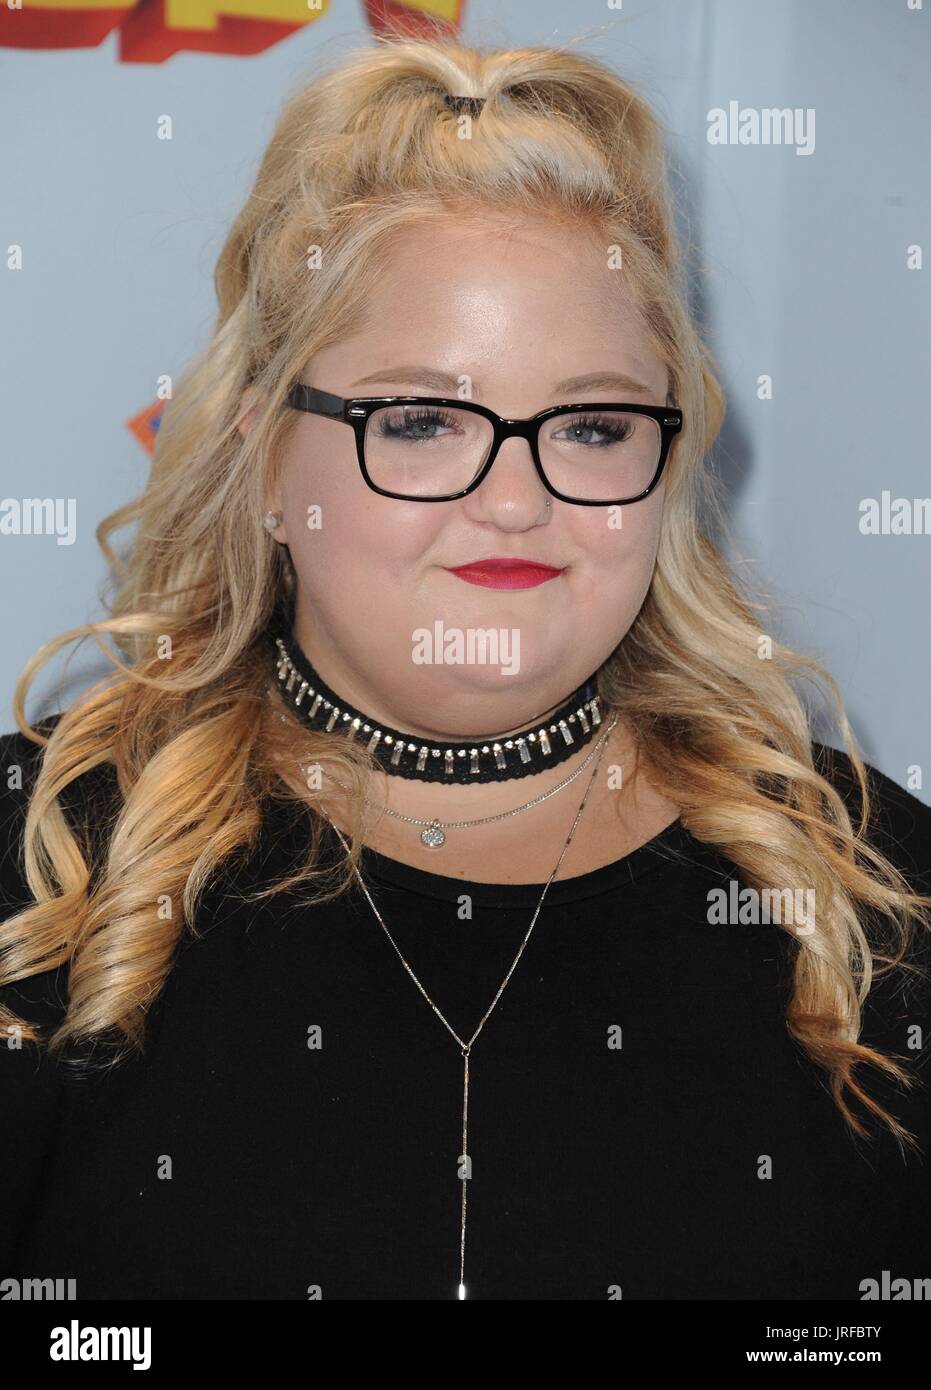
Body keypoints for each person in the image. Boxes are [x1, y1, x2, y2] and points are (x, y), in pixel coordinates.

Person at [1, 36, 929, 1302]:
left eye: (592, 426)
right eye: (423, 421)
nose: (513, 497)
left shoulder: (875, 887)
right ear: (266, 459)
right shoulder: (40, 861)